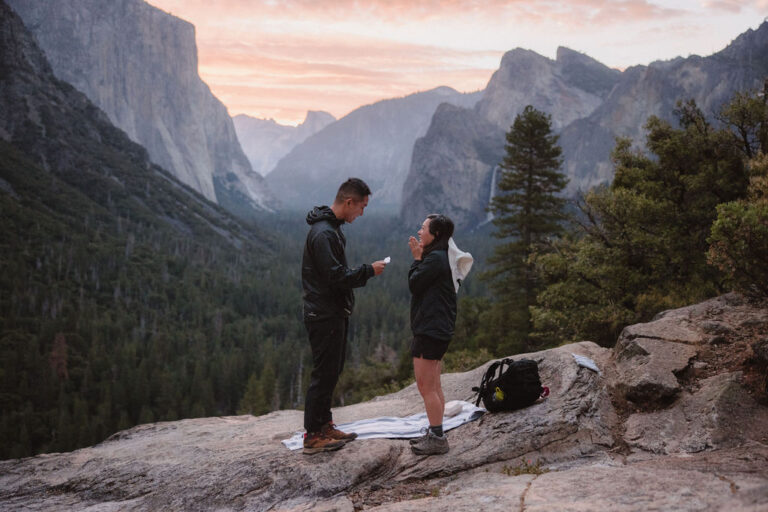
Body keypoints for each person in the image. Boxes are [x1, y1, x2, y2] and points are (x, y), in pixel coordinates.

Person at [301, 178, 387, 455]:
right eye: (361, 207)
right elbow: (335, 276)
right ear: (349, 202)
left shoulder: (332, 229)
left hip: (332, 311)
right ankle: (313, 435)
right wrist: (368, 271)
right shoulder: (324, 234)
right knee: (324, 373)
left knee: (332, 371)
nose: (361, 213)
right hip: (323, 313)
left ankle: (325, 425)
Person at [407, 214, 457, 455]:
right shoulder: (440, 256)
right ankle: (436, 431)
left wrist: (416, 259)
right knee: (434, 385)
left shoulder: (435, 259)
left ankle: (437, 438)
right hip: (438, 328)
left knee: (426, 386)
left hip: (430, 329)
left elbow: (414, 284)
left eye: (423, 228)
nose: (419, 231)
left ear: (435, 234)